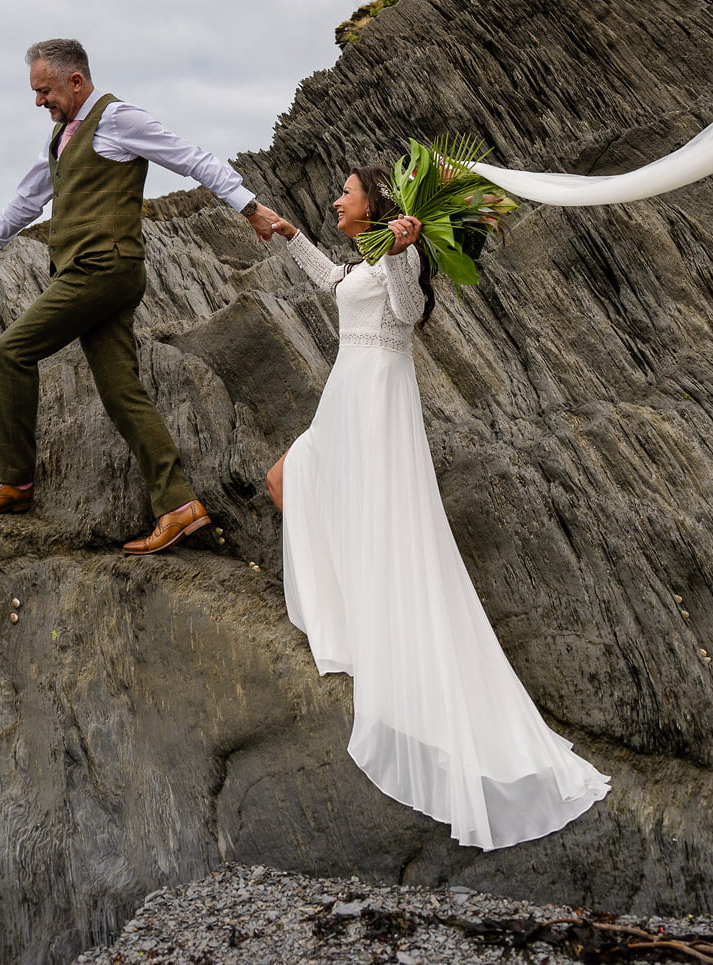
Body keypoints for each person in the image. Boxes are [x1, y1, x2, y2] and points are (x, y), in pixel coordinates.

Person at [257, 167, 610, 850]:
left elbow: (411, 312)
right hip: (349, 394)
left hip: (376, 398)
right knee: (289, 480)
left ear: (375, 204)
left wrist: (401, 248)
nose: (337, 199)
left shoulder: (402, 251)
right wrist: (289, 234)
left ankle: (368, 630)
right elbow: (333, 282)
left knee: (329, 495)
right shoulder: (362, 257)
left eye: (346, 192)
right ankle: (354, 618)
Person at [0, 38, 282, 554]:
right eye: (36, 93)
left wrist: (250, 207)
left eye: (44, 91)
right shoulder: (62, 136)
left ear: (75, 81)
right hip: (95, 272)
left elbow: (190, 158)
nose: (39, 101)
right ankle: (179, 506)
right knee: (121, 389)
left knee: (10, 351)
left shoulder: (119, 119)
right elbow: (29, 197)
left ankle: (12, 483)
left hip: (102, 268)